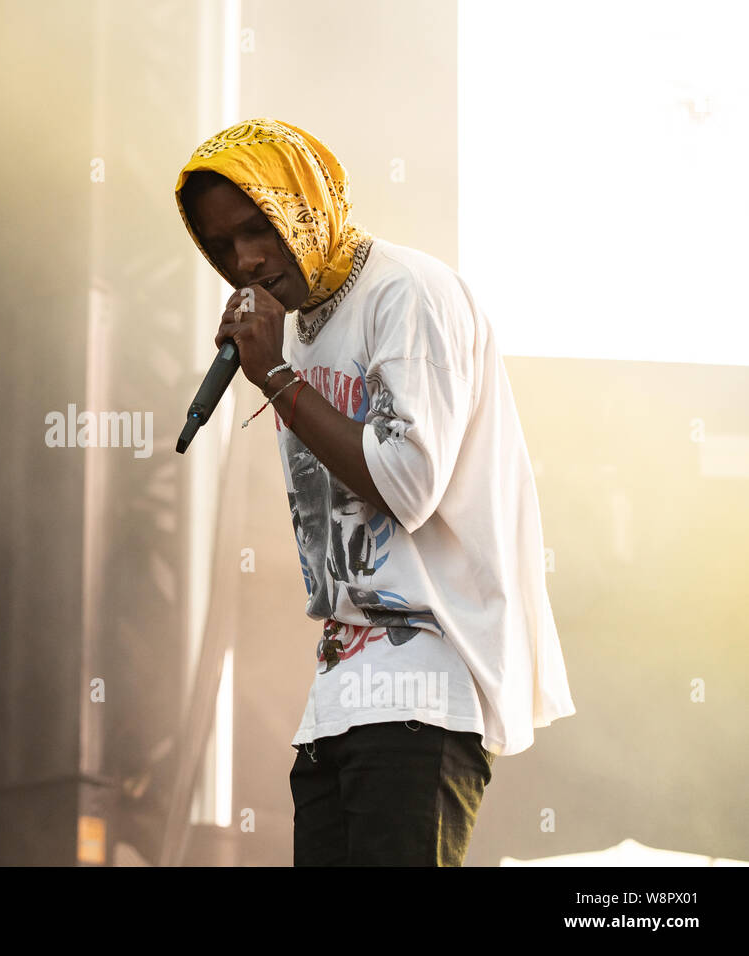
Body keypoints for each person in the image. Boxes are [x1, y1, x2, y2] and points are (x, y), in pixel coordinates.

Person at [173, 118, 575, 866]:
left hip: (423, 681)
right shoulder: (295, 329)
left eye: (259, 226)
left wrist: (280, 381)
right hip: (339, 690)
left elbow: (408, 484)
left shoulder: (408, 295)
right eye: (224, 246)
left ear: (310, 202)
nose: (247, 259)